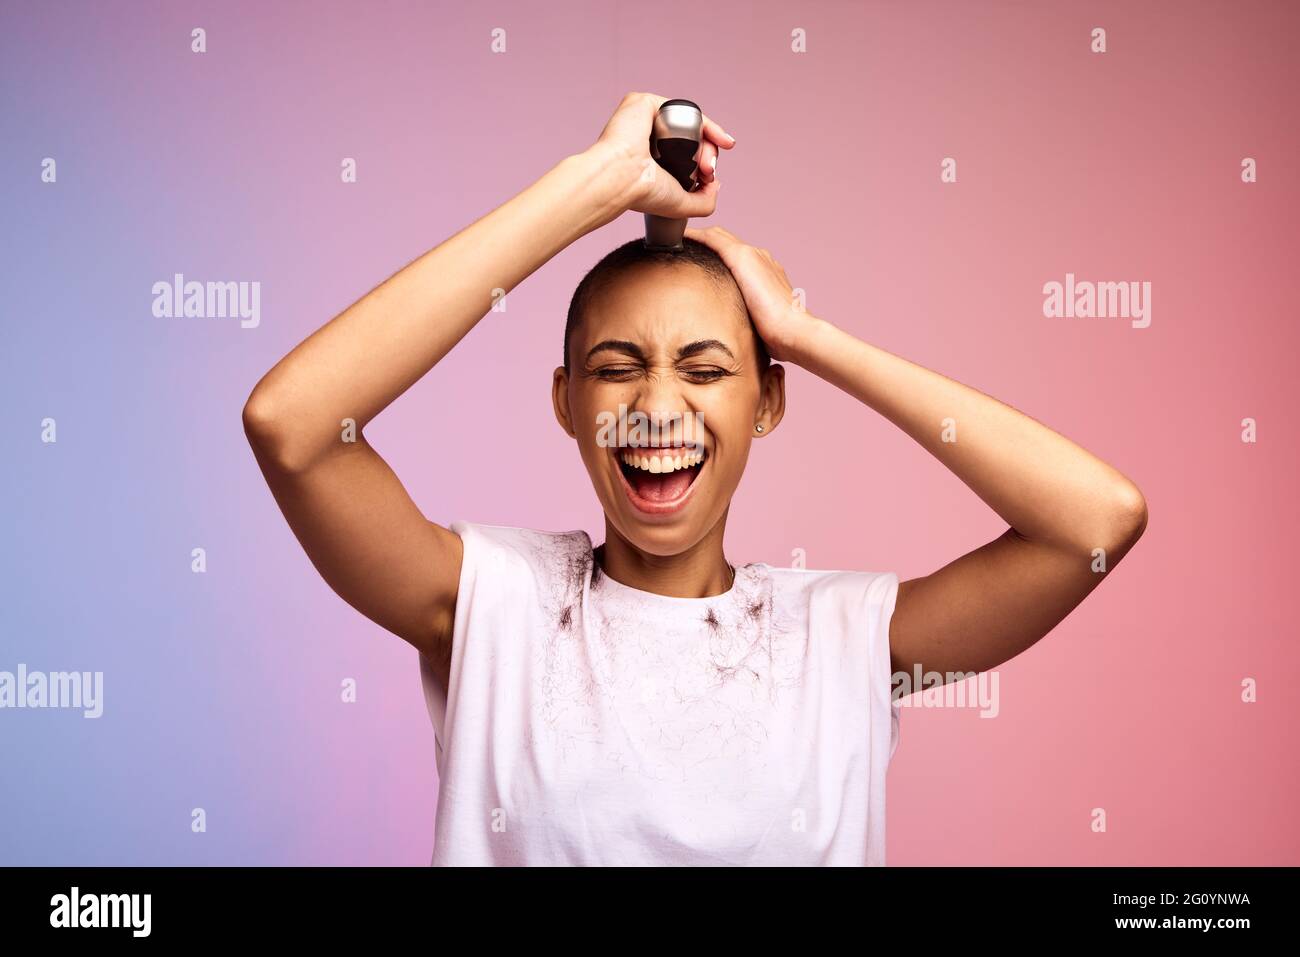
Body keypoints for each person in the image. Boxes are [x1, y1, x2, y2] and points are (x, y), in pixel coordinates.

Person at [242, 92, 1148, 865]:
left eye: (708, 369)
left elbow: (1097, 522)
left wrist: (804, 333)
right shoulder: (496, 606)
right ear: (565, 399)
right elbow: (294, 426)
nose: (657, 406)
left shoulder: (841, 639)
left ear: (768, 401)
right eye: (616, 365)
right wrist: (592, 187)